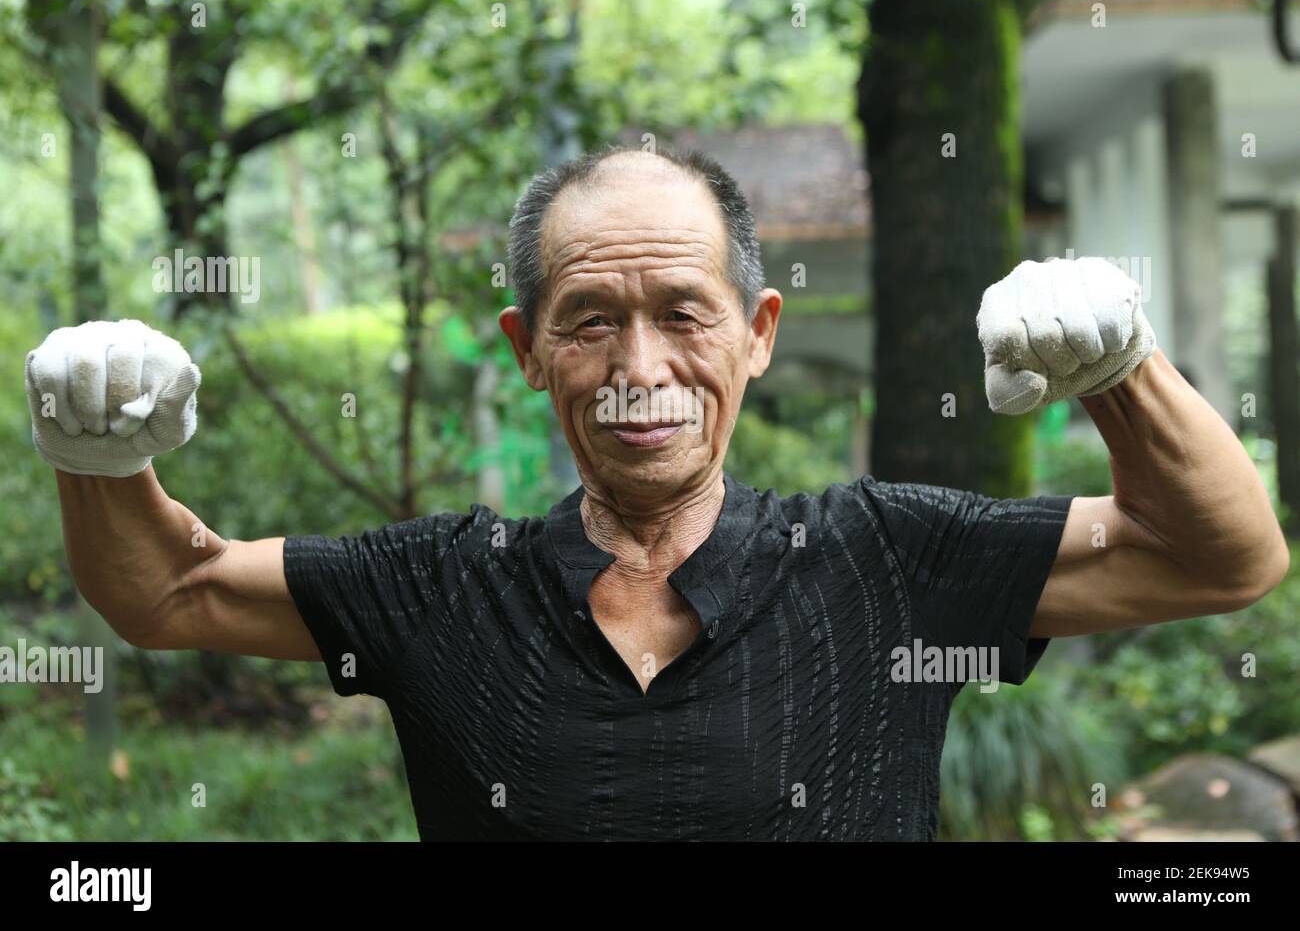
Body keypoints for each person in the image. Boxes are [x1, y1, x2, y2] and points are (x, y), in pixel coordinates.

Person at [25, 146, 1288, 840]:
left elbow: (1218, 557)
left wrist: (1122, 367)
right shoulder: (438, 584)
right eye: (588, 321)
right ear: (526, 349)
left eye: (684, 313)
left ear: (758, 332)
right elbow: (168, 587)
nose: (640, 369)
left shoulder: (888, 558)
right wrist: (99, 448)